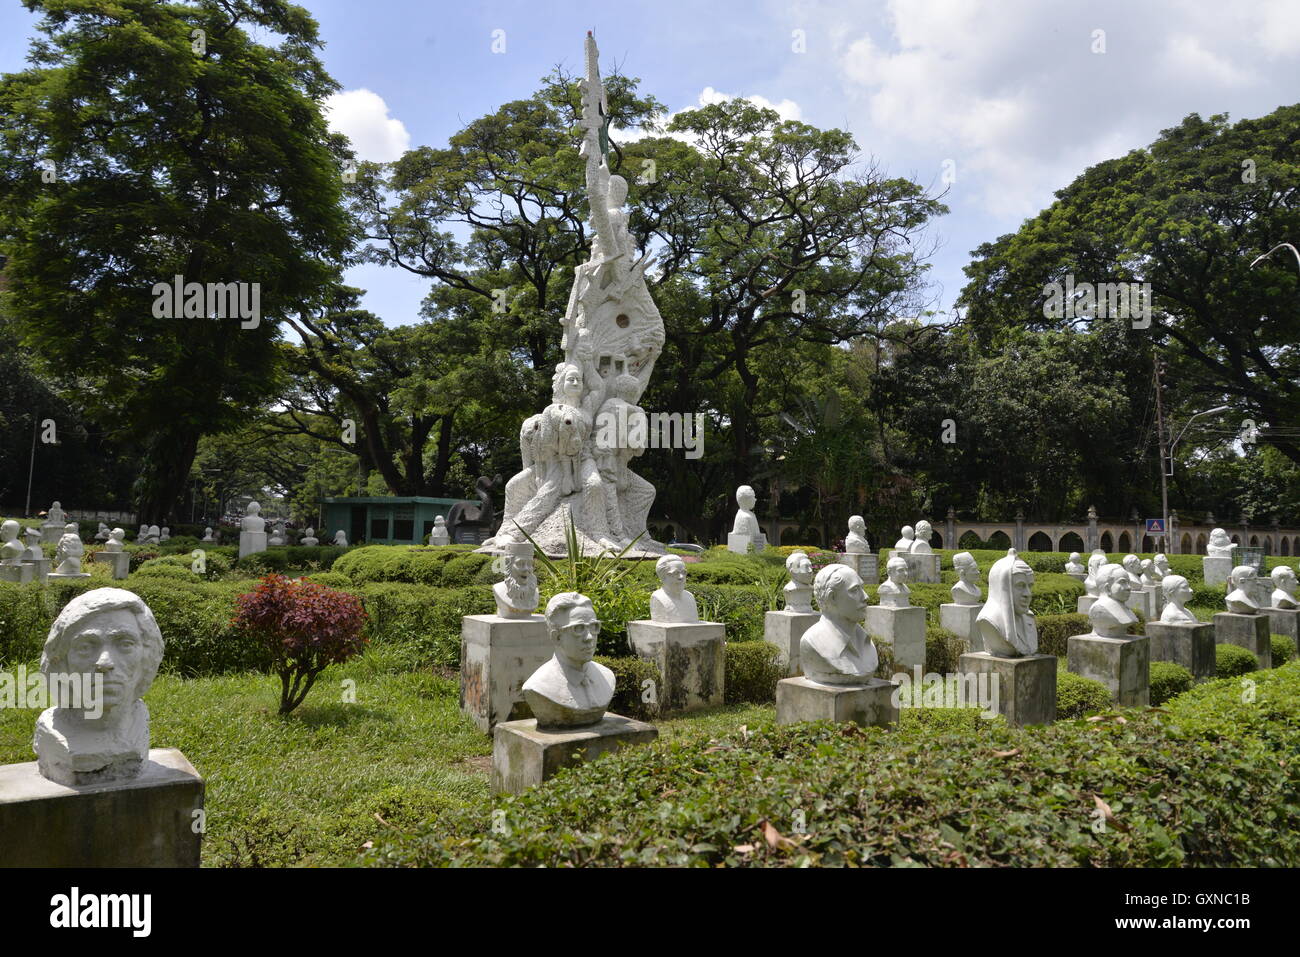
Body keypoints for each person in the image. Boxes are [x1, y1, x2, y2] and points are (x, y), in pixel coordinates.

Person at [33, 588, 165, 785]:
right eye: (85, 647)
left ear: (147, 654)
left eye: (125, 644)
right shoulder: (54, 734)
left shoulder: (137, 723)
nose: (105, 662)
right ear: (61, 660)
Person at [521, 592, 615, 728]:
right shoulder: (539, 686)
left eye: (594, 626)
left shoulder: (607, 677)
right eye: (578, 628)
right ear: (556, 637)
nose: (589, 637)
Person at [799, 564, 877, 684]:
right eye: (855, 590)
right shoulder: (812, 642)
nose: (865, 597)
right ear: (832, 598)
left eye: (862, 588)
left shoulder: (866, 642)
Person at [975, 549, 1037, 657]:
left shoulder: (1028, 617)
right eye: (1020, 585)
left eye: (1030, 586)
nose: (1028, 594)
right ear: (1002, 587)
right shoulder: (989, 620)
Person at [650, 554, 699, 623]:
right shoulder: (658, 597)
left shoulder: (690, 597)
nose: (681, 577)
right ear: (662, 577)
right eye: (675, 573)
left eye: (684, 572)